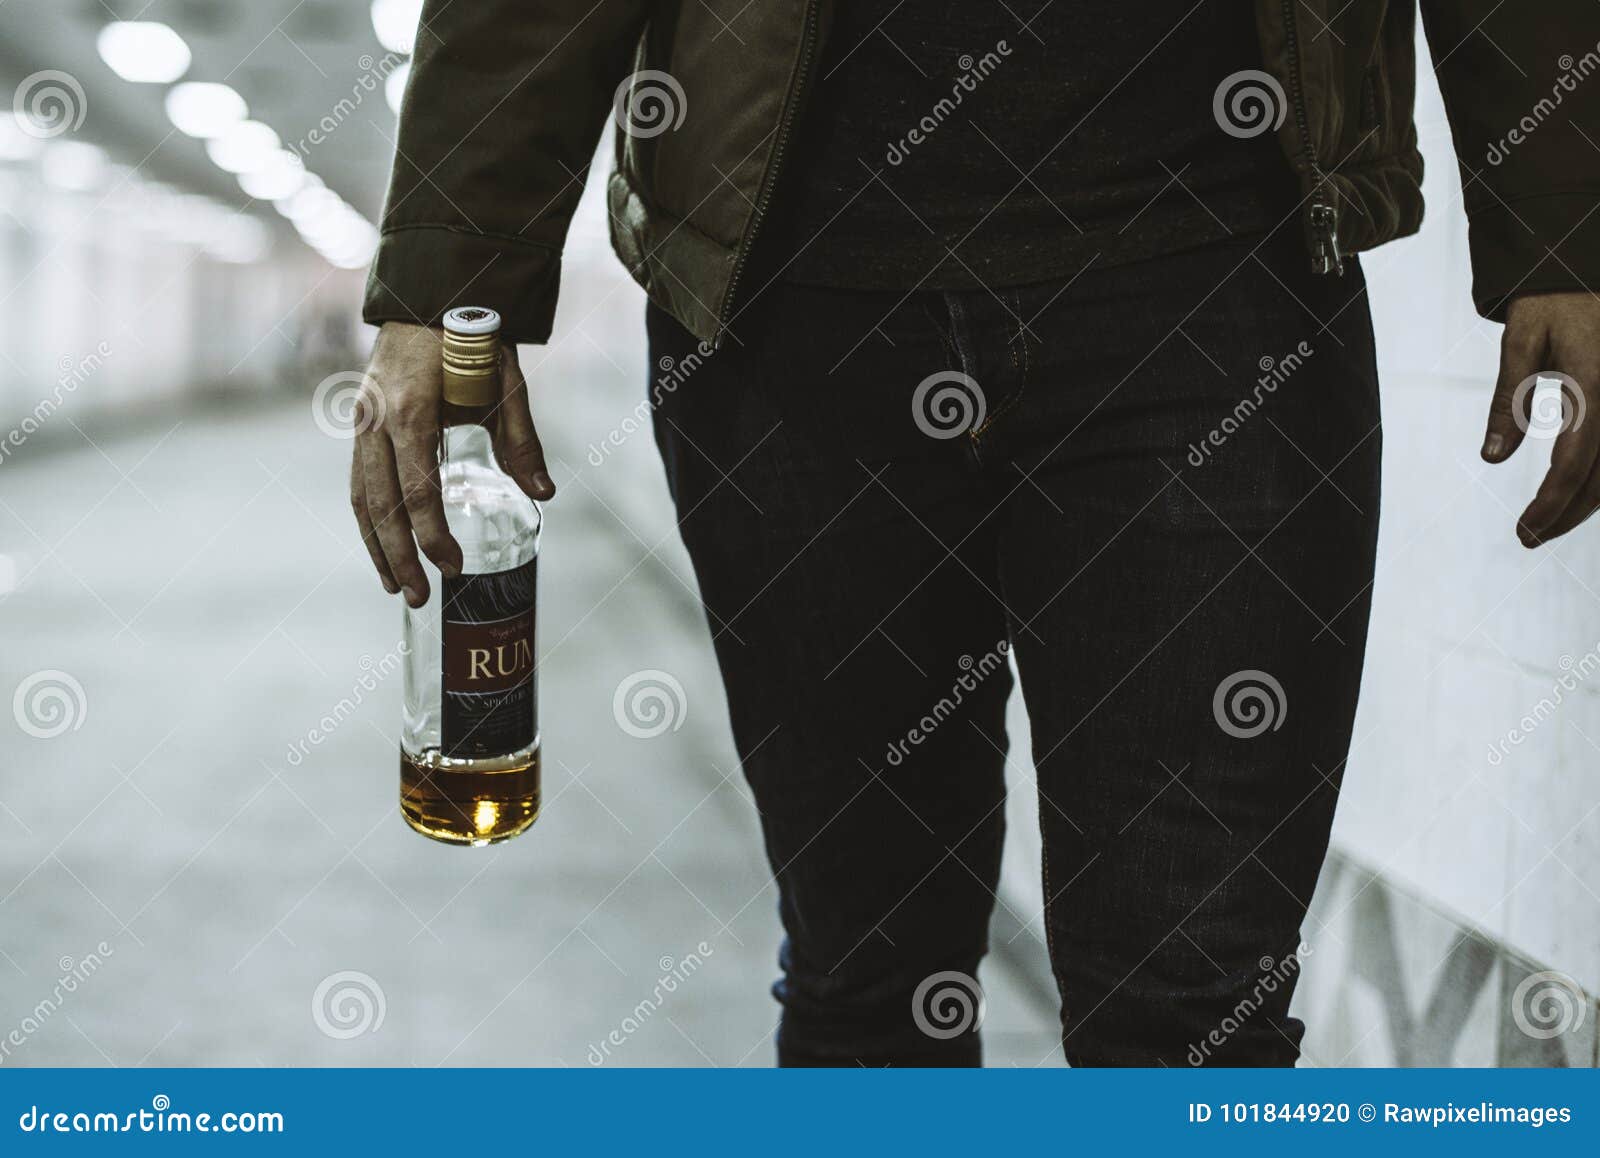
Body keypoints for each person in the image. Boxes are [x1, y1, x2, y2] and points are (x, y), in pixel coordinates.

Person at [350, 1, 1600, 1065]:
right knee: (867, 982)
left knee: (1192, 1003)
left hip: (1217, 289)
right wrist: (448, 277)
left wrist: (1563, 225)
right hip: (793, 321)